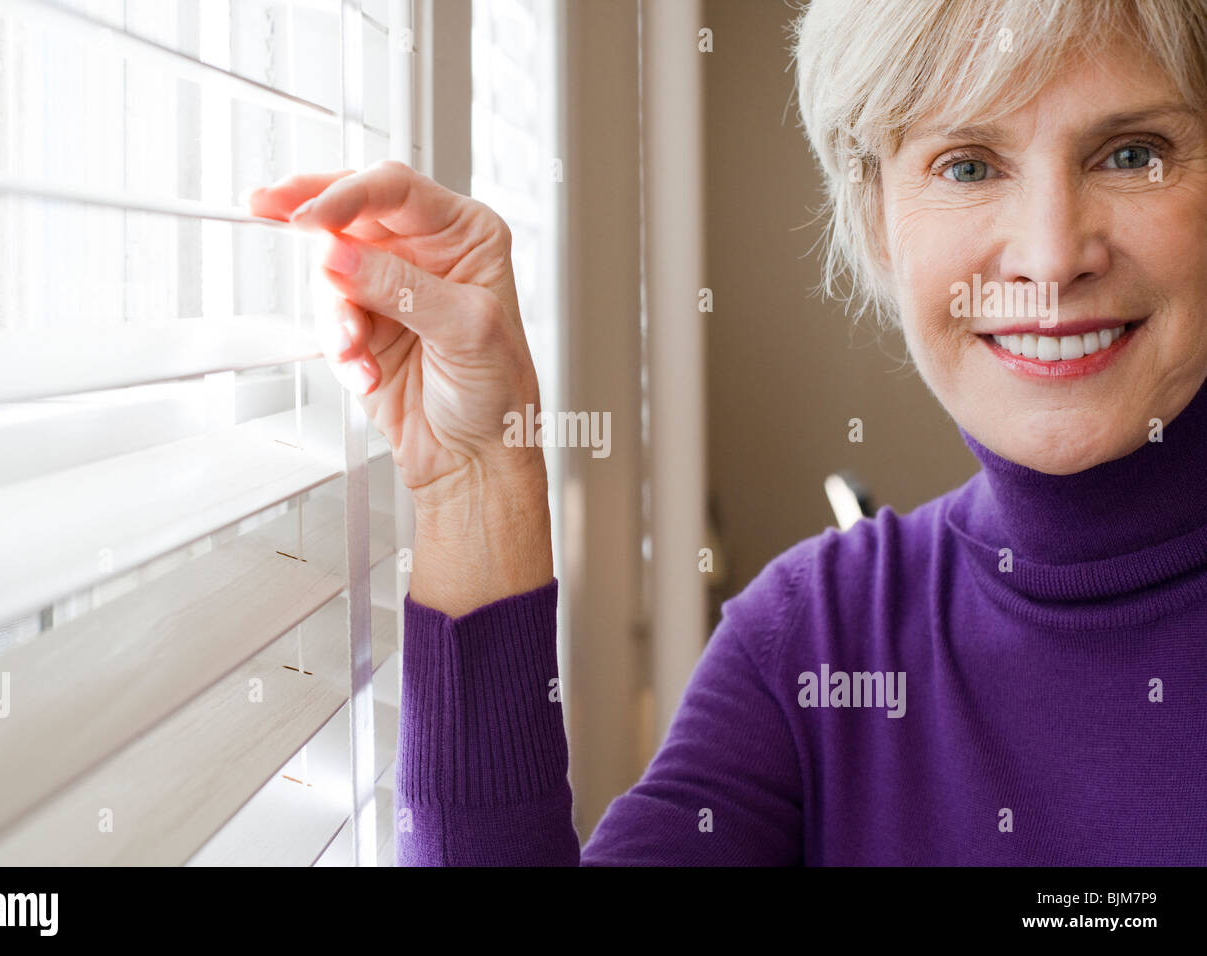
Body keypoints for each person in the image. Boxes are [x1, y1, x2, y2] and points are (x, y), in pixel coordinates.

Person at [246, 0, 1207, 864]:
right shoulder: (813, 646)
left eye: (1131, 153)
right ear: (878, 220)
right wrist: (478, 480)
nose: (1049, 255)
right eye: (967, 164)